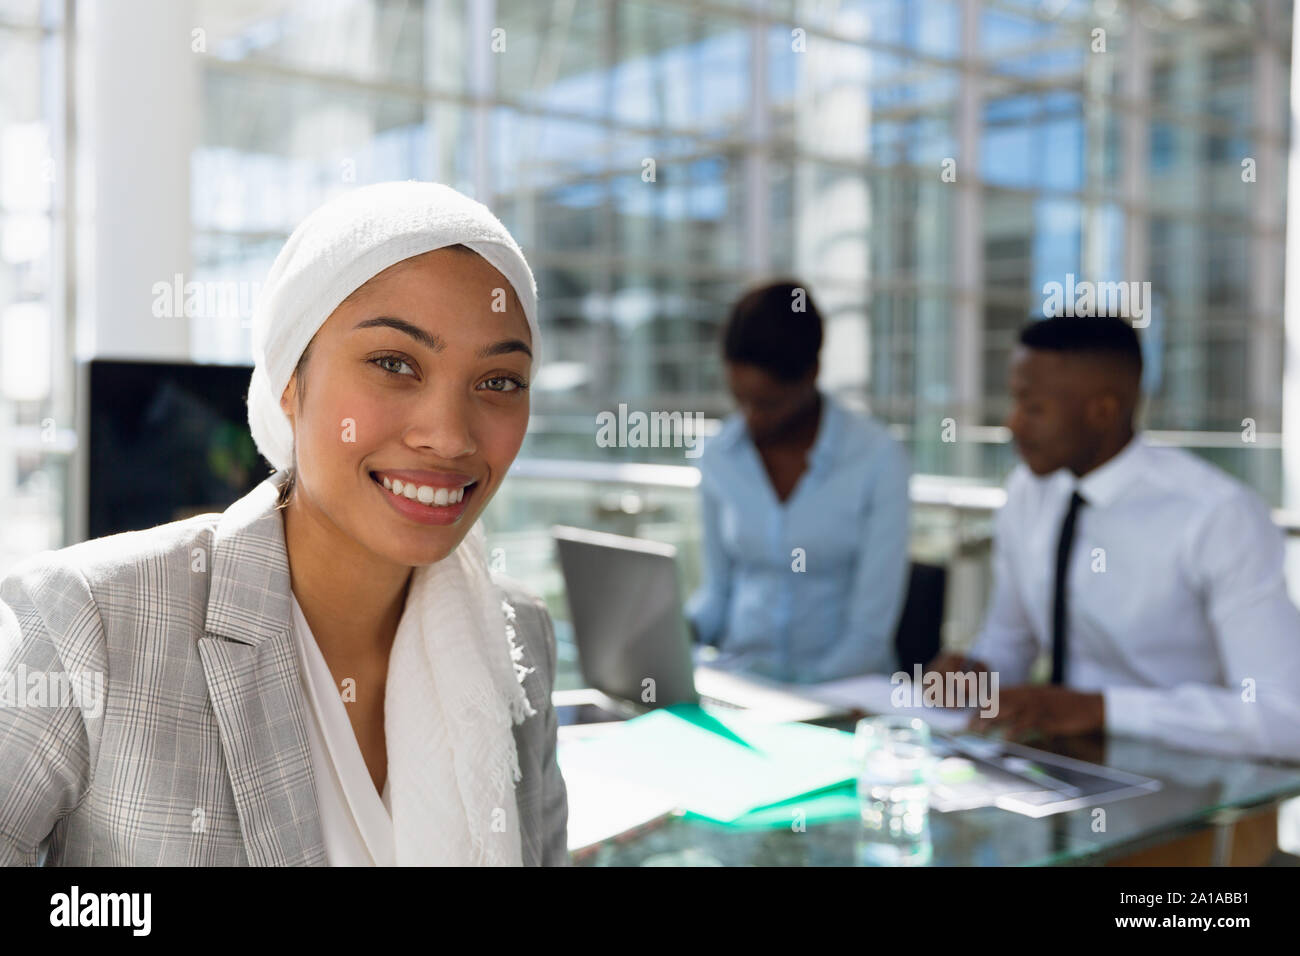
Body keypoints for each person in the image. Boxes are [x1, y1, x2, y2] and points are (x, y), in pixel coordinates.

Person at [0, 181, 569, 865]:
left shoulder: (519, 636)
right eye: (394, 363)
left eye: (500, 380)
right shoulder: (86, 621)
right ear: (288, 383)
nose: (450, 437)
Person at [928, 315, 1300, 761]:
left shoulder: (1218, 515)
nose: (1014, 424)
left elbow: (1284, 719)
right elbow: (1011, 642)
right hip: (1051, 773)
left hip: (1196, 788)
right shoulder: (1028, 492)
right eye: (1014, 402)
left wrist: (1101, 709)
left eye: (1034, 408)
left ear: (1102, 411)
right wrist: (975, 675)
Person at [686, 280, 911, 683]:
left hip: (845, 695)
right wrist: (673, 634)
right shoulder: (719, 454)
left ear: (812, 374)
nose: (752, 419)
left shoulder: (877, 457)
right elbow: (718, 594)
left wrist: (802, 697)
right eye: (741, 400)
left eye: (768, 404)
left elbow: (869, 635)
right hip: (742, 684)